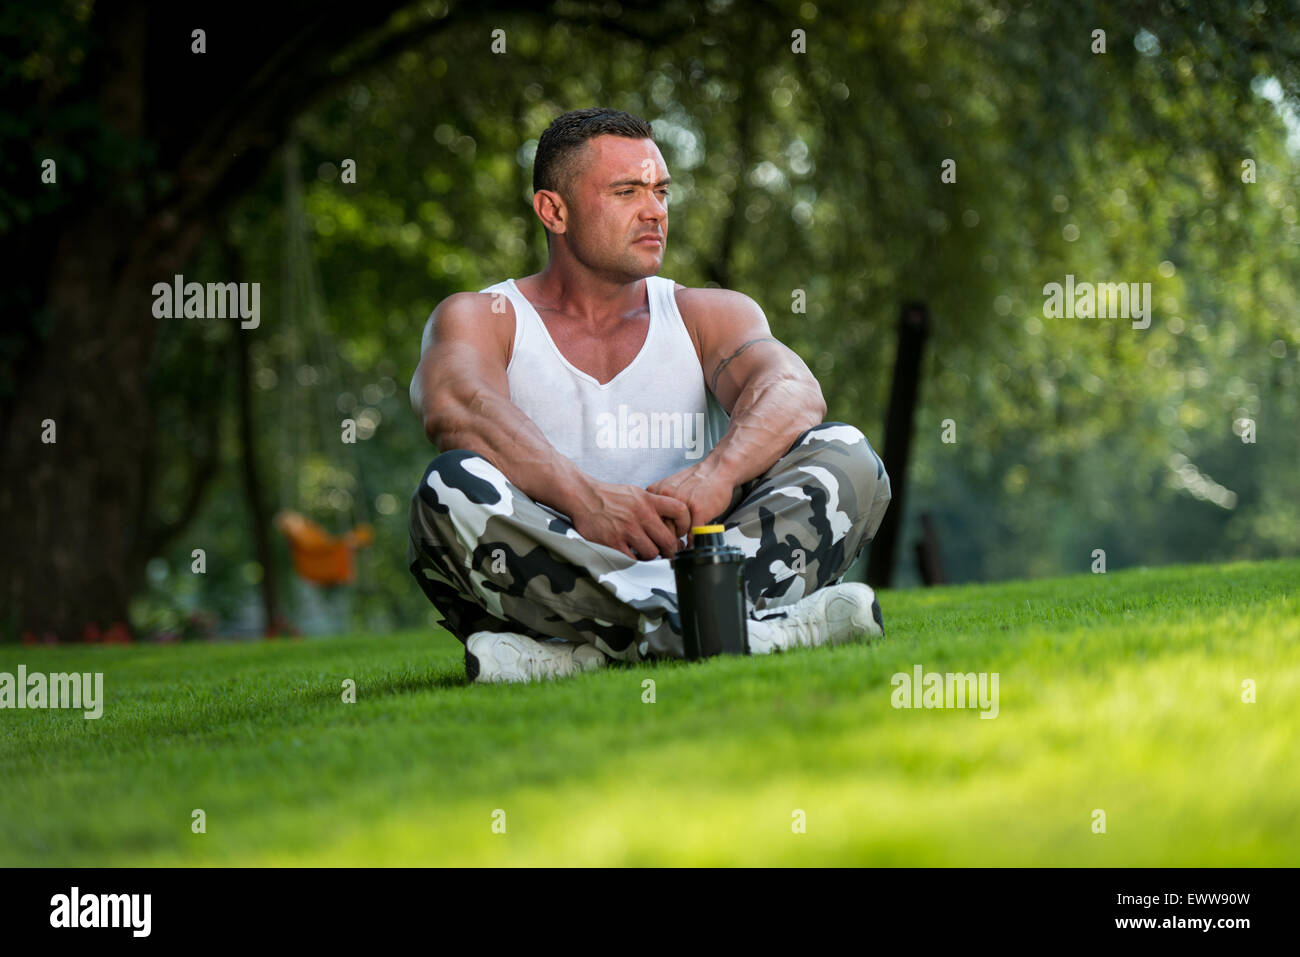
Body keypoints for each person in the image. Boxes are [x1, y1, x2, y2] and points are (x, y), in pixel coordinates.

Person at [407, 107, 892, 684]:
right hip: (561, 569)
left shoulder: (707, 313)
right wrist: (588, 501)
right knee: (449, 487)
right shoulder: (484, 317)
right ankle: (757, 629)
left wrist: (717, 474)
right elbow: (455, 406)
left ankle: (588, 653)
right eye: (626, 191)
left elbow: (793, 390)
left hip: (706, 556)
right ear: (553, 210)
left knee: (848, 452)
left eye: (661, 190)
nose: (654, 210)